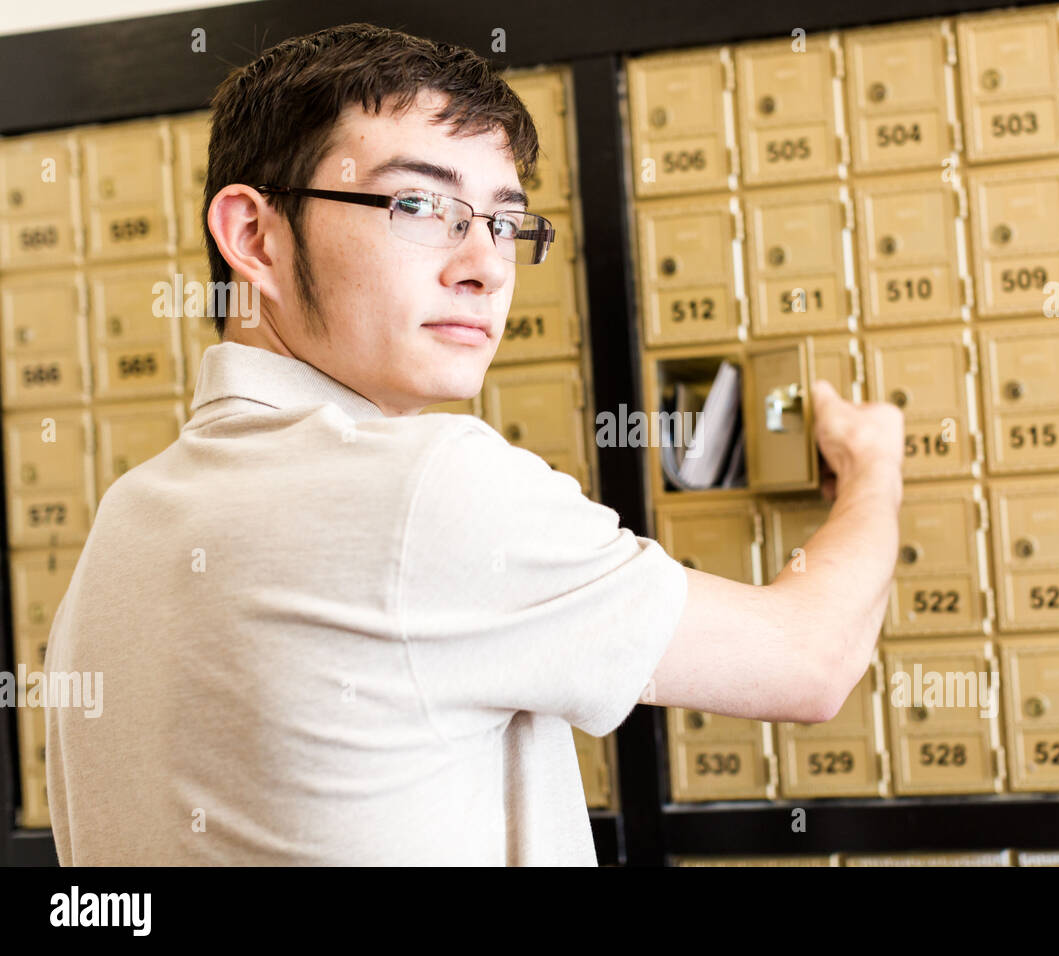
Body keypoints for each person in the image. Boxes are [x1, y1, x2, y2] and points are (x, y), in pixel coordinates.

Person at [44, 22, 903, 866]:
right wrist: (873, 470)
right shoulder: (430, 484)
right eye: (418, 204)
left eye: (504, 221)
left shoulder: (126, 519)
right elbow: (812, 660)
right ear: (253, 236)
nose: (485, 264)